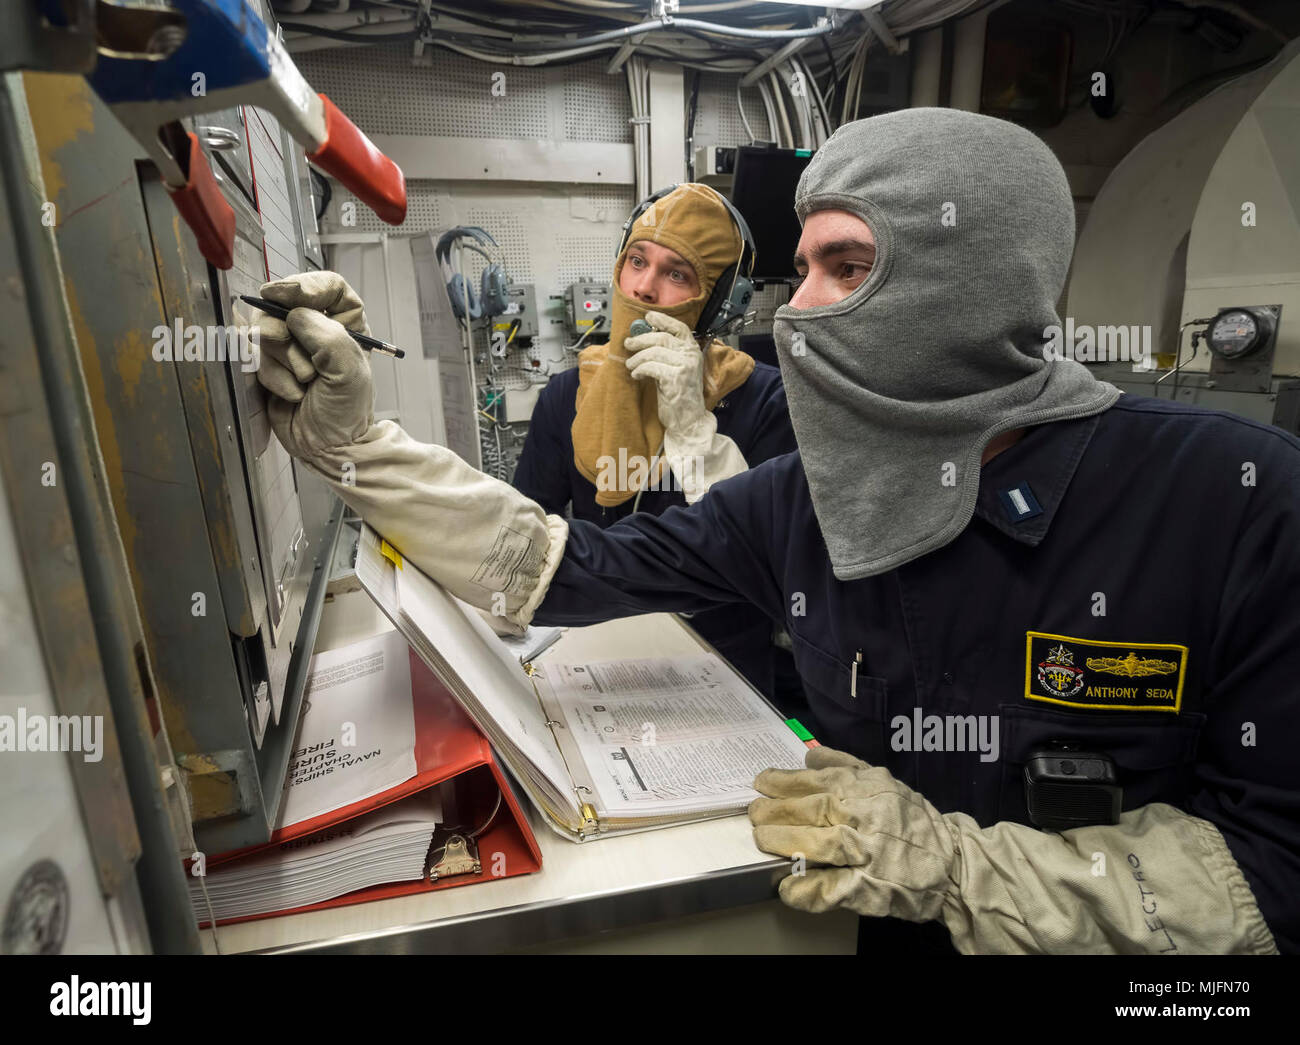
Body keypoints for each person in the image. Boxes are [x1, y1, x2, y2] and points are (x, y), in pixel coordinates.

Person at [252, 107, 1296, 954]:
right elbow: (561, 566)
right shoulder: (801, 496)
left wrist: (958, 867)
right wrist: (355, 445)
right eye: (796, 272)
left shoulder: (1233, 499)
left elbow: (1273, 874)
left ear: (971, 279)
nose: (796, 314)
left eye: (845, 269)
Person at [511, 182, 808, 721]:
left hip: (725, 679)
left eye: (677, 274)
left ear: (719, 301)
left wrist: (695, 428)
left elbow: (773, 558)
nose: (644, 288)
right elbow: (527, 529)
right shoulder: (567, 396)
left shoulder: (765, 400)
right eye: (636, 261)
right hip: (595, 664)